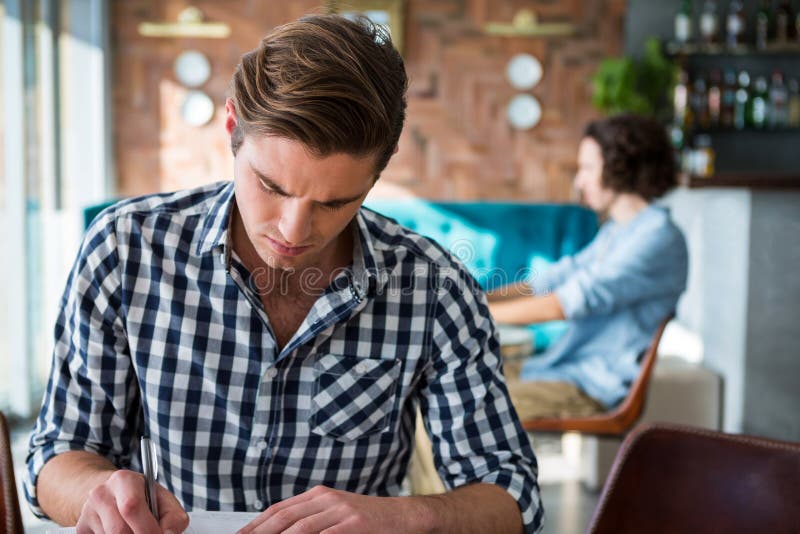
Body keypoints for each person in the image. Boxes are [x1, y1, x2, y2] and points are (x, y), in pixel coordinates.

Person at [25, 14, 542, 534]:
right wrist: (98, 495)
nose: (294, 231)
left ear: (377, 175)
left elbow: (511, 493)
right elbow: (57, 456)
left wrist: (402, 516)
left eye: (336, 202)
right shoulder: (123, 248)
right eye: (271, 186)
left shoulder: (435, 287)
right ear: (232, 128)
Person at [488, 114, 688, 420]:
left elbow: (569, 302)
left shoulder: (657, 237)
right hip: (560, 369)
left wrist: (474, 313)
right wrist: (477, 297)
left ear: (621, 166)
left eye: (588, 168)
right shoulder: (618, 231)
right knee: (431, 391)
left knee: (447, 407)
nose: (579, 181)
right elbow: (555, 279)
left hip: (590, 385)